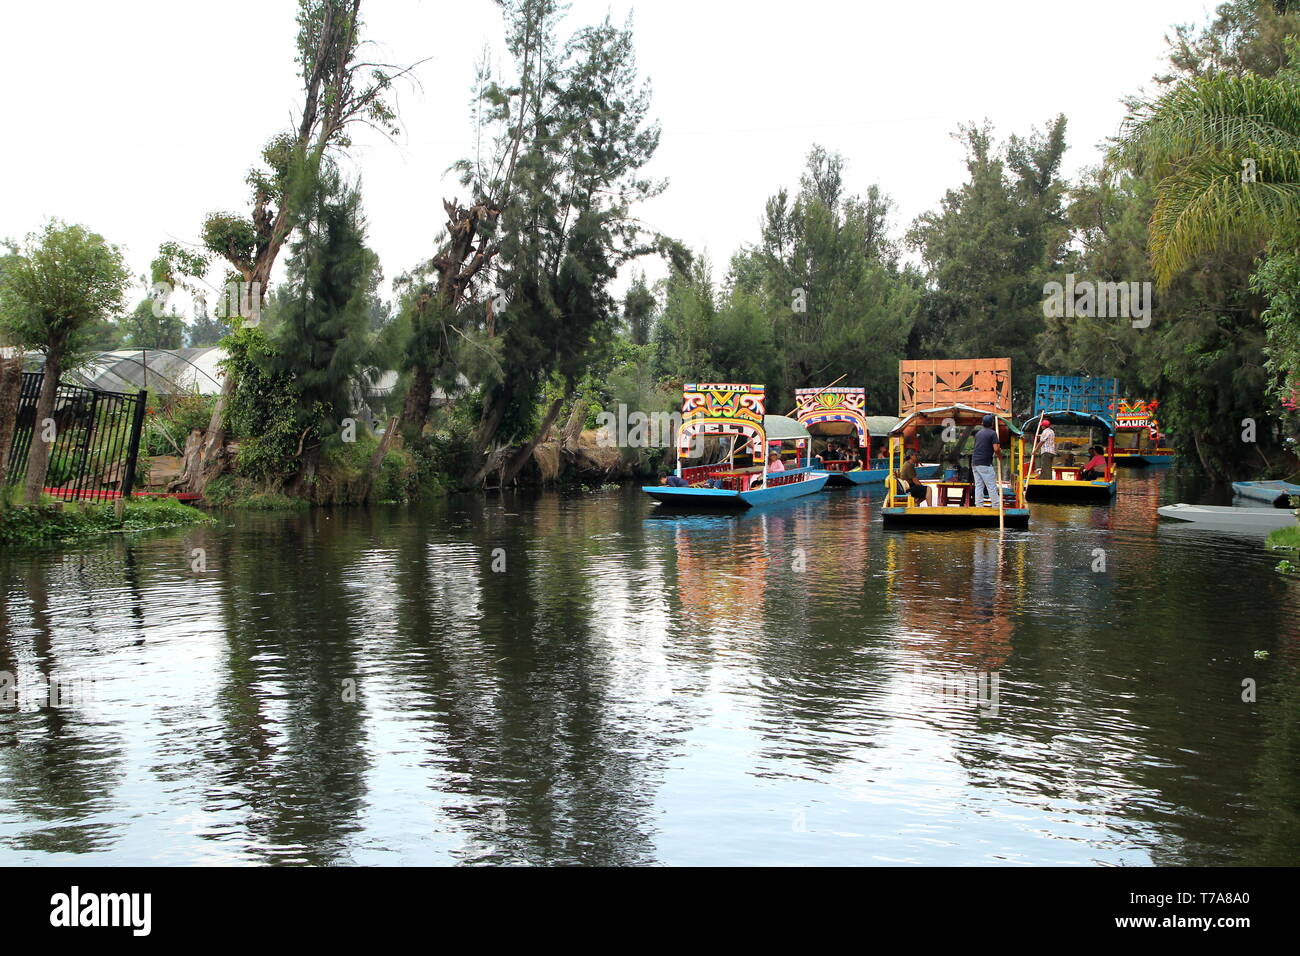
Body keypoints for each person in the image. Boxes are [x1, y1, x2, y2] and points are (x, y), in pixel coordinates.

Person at [971, 414, 1001, 507]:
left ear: (982, 423)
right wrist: (1000, 456)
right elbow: (996, 449)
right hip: (985, 463)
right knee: (991, 485)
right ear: (992, 424)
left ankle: (979, 505)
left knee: (979, 485)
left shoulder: (978, 433)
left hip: (975, 462)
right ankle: (996, 506)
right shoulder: (993, 433)